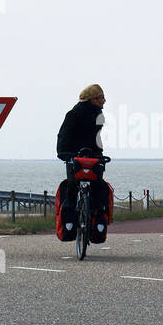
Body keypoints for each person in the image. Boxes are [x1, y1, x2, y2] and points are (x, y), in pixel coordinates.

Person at [56, 83, 110, 235]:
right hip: (76, 157)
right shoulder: (74, 114)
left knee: (93, 186)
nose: (104, 101)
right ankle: (72, 221)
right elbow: (64, 135)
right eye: (101, 97)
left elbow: (95, 138)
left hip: (91, 157)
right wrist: (63, 152)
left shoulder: (98, 114)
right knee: (79, 187)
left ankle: (96, 219)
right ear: (92, 99)